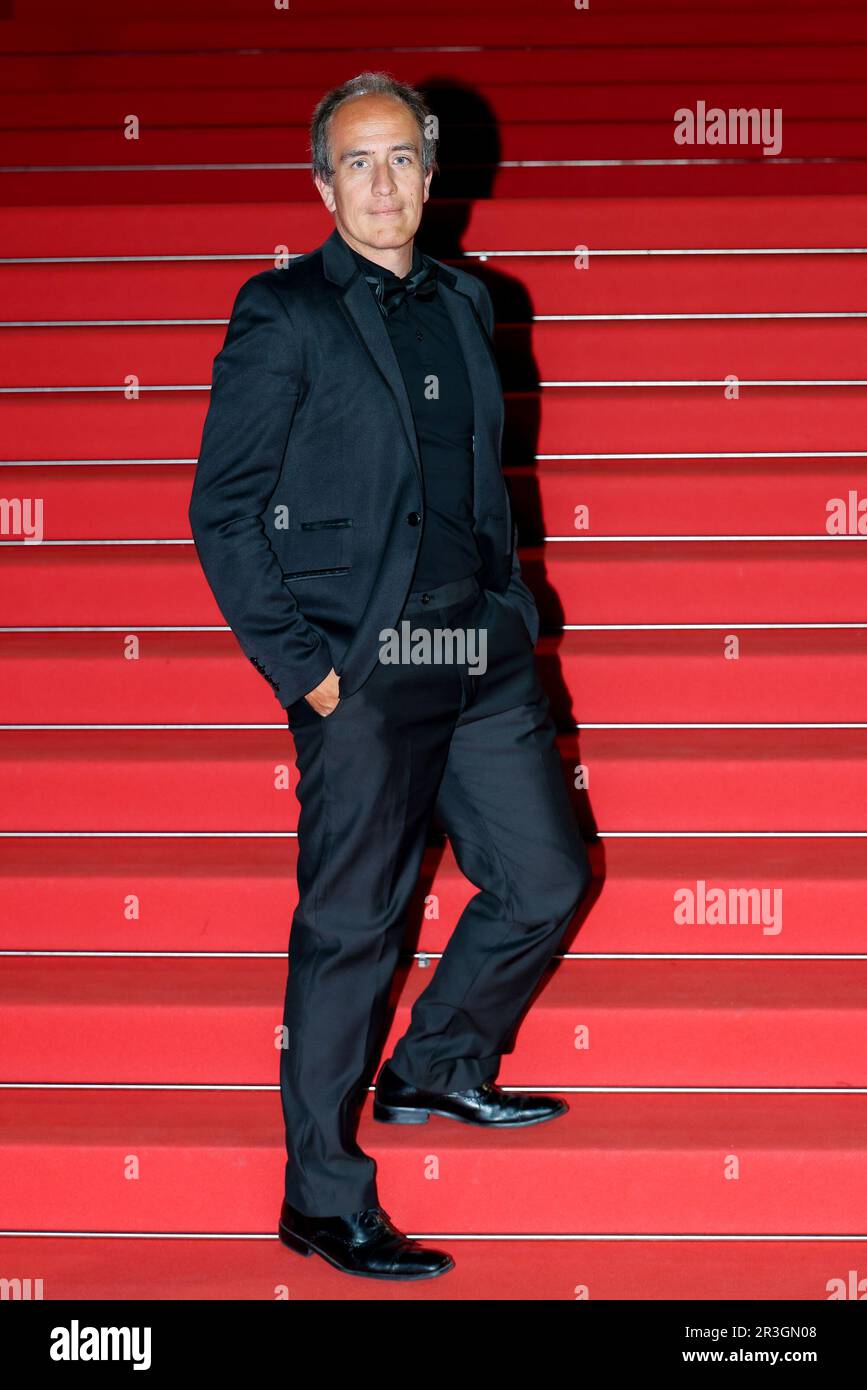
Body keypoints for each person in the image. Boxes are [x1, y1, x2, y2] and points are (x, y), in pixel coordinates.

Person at [189, 71, 592, 1282]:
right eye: (355, 164)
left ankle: (438, 1064)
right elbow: (223, 510)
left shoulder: (472, 300)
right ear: (323, 185)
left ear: (429, 171)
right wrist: (309, 675)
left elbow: (475, 474)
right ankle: (319, 1196)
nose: (381, 183)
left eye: (400, 159)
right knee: (352, 932)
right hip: (363, 666)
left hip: (476, 645)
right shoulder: (282, 311)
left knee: (546, 873)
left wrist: (508, 607)